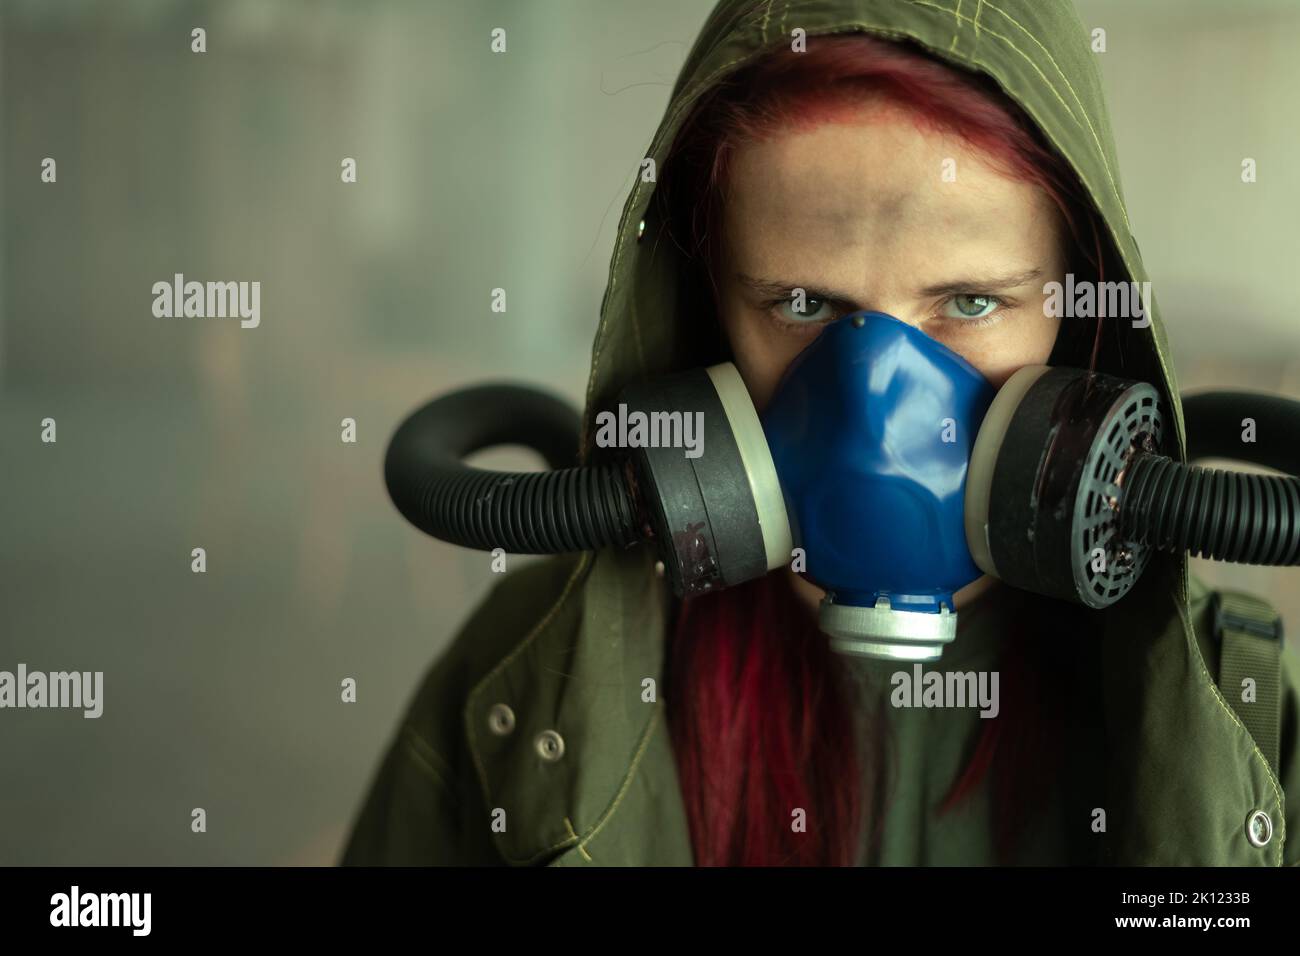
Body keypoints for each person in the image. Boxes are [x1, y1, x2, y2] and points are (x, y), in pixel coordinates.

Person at [341, 0, 1300, 866]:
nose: (876, 408)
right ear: (703, 310)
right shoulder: (531, 683)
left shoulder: (1237, 715)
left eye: (970, 301)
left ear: (1083, 314)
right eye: (803, 303)